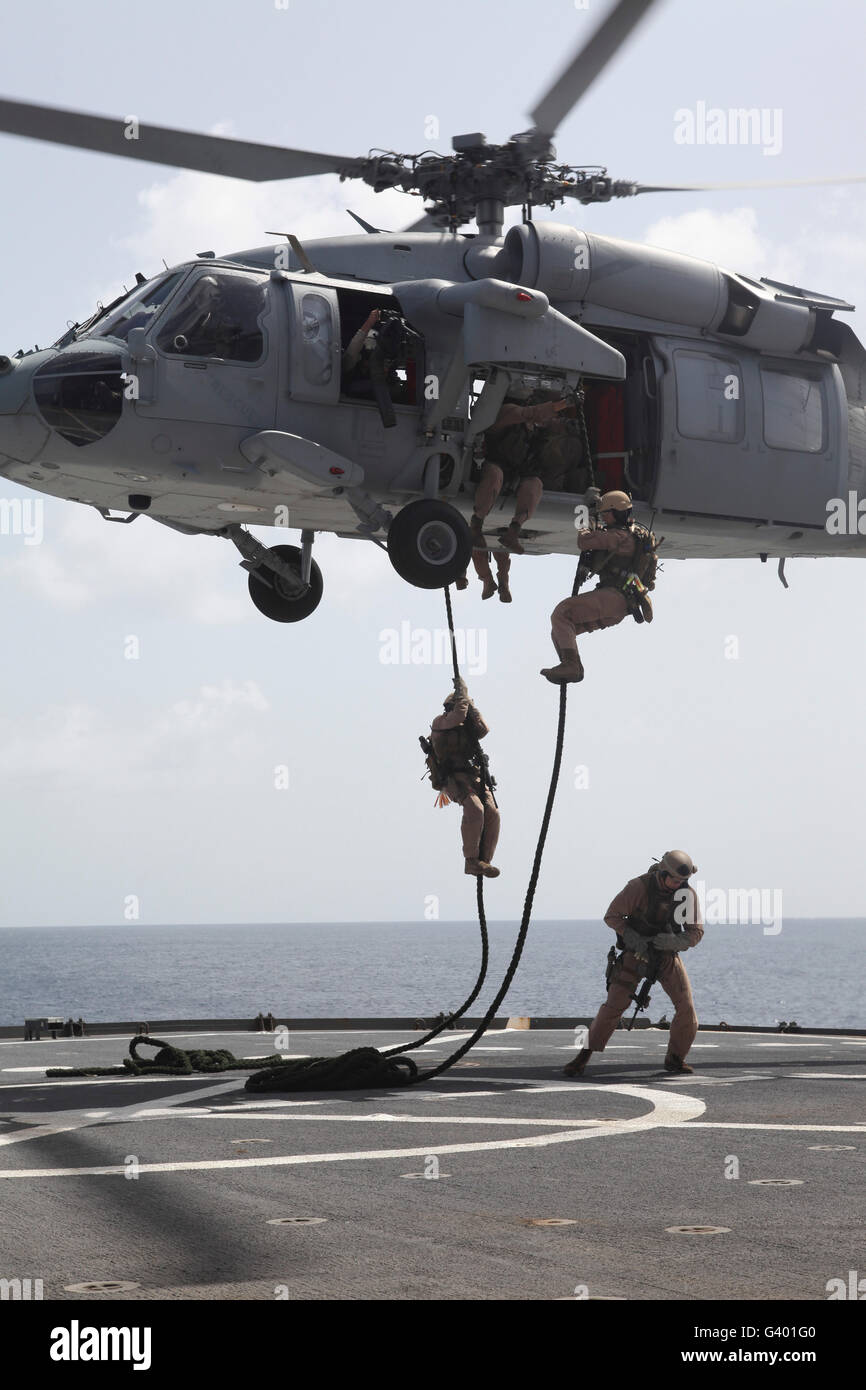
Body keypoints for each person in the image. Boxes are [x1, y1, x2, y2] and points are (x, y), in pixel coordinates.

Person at [563, 851, 704, 1078]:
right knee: (614, 1006)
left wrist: (675, 941)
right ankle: (583, 1057)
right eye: (674, 880)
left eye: (681, 881)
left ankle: (675, 1059)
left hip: (666, 956)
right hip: (636, 955)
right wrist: (632, 937)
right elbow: (612, 916)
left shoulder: (686, 894)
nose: (677, 885)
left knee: (686, 1009)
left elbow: (695, 932)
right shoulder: (638, 887)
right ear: (662, 872)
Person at [541, 488, 644, 684]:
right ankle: (572, 668)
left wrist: (584, 511)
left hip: (613, 598)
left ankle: (571, 665)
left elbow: (583, 540)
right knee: (560, 630)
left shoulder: (618, 537)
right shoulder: (627, 535)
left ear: (614, 513)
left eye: (606, 513)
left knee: (562, 613)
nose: (603, 517)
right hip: (617, 605)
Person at [470, 390, 576, 555]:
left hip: (516, 473)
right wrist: (563, 404)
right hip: (492, 463)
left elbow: (549, 423)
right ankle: (476, 524)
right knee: (495, 476)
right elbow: (531, 414)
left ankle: (513, 532)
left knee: (535, 485)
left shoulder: (534, 428)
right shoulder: (508, 411)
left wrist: (567, 424)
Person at [430, 680, 500, 878]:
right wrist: (464, 694)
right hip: (453, 778)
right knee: (475, 809)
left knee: (492, 813)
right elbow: (458, 715)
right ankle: (471, 860)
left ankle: (483, 861)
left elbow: (484, 729)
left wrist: (472, 708)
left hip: (473, 776)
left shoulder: (468, 727)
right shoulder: (440, 723)